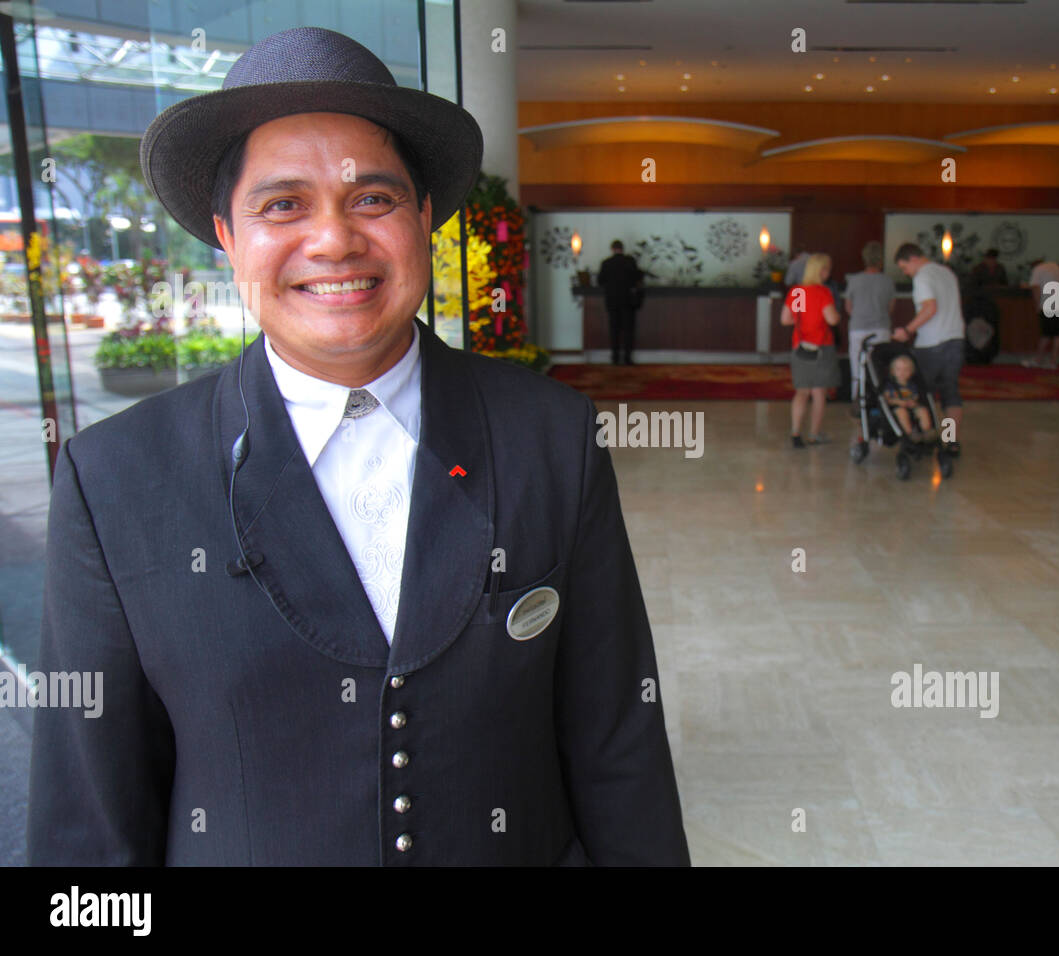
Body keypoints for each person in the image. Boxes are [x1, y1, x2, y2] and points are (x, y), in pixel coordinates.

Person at [27, 27, 688, 867]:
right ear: (226, 235)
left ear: (422, 219)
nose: (334, 240)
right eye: (282, 205)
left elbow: (617, 743)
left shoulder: (550, 435)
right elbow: (88, 823)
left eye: (372, 199)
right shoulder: (115, 478)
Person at [892, 243, 965, 456]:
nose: (906, 273)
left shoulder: (922, 277)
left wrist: (907, 330)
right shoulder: (947, 272)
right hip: (955, 339)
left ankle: (924, 435)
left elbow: (930, 308)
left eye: (904, 268)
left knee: (921, 392)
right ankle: (950, 441)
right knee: (951, 394)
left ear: (913, 259)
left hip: (932, 344)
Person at [780, 253, 840, 448]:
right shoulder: (823, 292)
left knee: (802, 392)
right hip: (821, 347)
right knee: (818, 392)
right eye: (828, 270)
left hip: (800, 346)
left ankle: (796, 432)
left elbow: (787, 319)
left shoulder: (798, 292)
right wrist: (836, 317)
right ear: (822, 271)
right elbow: (832, 319)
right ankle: (814, 434)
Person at [843, 240, 895, 411]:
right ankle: (879, 399)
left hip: (858, 327)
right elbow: (890, 307)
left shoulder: (854, 280)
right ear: (881, 260)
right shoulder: (887, 281)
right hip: (881, 328)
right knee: (879, 365)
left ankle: (857, 400)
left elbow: (848, 307)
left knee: (857, 365)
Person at [596, 240, 643, 365]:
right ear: (623, 248)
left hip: (612, 301)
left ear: (612, 249)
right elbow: (637, 278)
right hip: (627, 301)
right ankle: (627, 358)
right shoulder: (630, 261)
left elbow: (600, 281)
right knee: (628, 330)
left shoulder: (606, 263)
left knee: (614, 330)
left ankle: (615, 357)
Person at [1025, 256, 1059, 369]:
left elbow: (1035, 288)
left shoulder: (1037, 270)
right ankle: (1053, 361)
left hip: (1047, 304)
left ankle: (1038, 360)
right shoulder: (1056, 266)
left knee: (1046, 334)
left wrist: (1037, 305)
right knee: (1058, 334)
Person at [883, 354, 935, 441]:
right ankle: (910, 433)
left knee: (923, 410)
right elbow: (886, 399)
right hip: (897, 406)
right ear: (893, 371)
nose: (902, 373)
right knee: (901, 412)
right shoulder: (890, 386)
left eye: (906, 370)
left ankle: (927, 430)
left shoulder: (912, 385)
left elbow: (915, 396)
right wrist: (898, 402)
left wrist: (913, 402)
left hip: (910, 405)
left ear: (911, 372)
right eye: (899, 369)